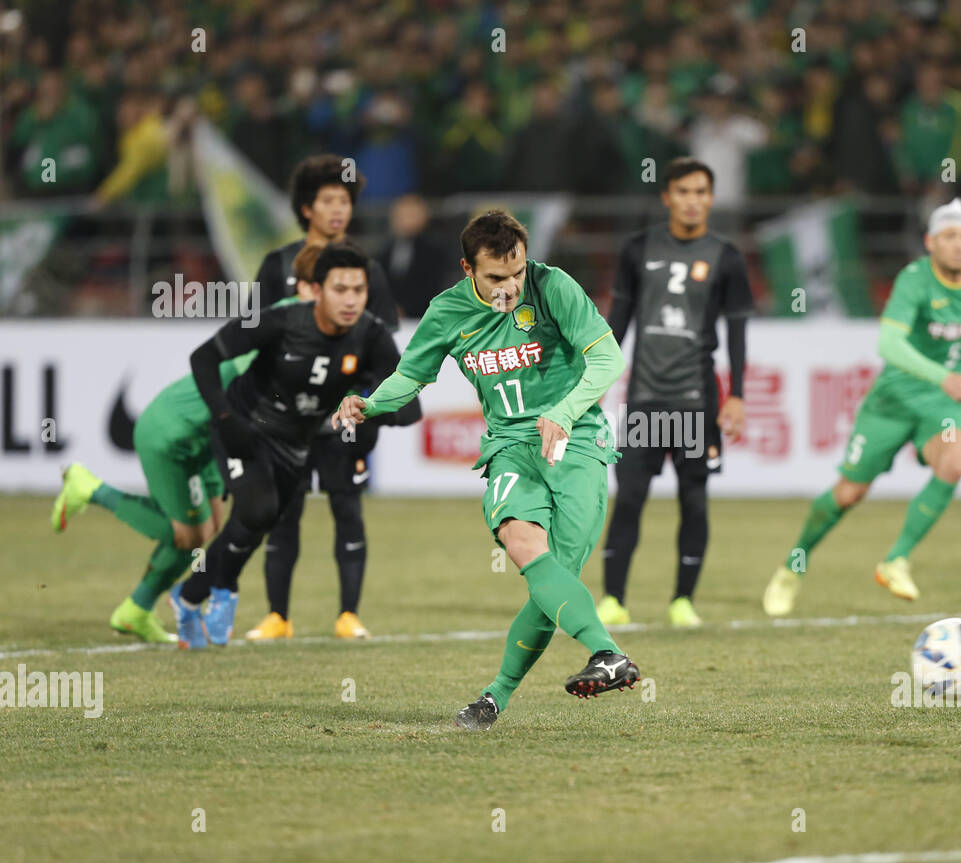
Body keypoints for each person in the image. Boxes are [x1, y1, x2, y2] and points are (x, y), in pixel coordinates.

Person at [333, 210, 639, 731]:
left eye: (517, 272)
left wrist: (562, 413)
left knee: (553, 586)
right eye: (497, 277)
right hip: (509, 448)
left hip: (578, 441)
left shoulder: (553, 286)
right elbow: (412, 376)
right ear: (467, 268)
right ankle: (608, 653)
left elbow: (607, 359)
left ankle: (493, 699)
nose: (511, 286)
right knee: (524, 546)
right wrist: (369, 403)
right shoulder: (447, 311)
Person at [763, 198, 961, 614]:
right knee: (848, 494)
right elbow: (888, 344)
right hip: (891, 402)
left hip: (940, 407)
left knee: (954, 461)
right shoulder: (915, 280)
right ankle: (792, 567)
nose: (957, 245)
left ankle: (896, 560)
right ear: (930, 242)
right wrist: (943, 376)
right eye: (948, 236)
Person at [172, 241, 412, 649]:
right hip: (244, 427)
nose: (351, 300)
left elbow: (404, 394)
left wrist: (372, 416)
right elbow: (203, 358)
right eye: (340, 289)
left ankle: (191, 594)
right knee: (259, 509)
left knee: (253, 523)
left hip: (295, 443)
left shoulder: (370, 335)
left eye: (359, 290)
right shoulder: (281, 321)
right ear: (316, 290)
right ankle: (224, 589)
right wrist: (224, 418)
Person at [243, 155, 402, 641]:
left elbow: (383, 349)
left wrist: (360, 406)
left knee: (346, 505)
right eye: (329, 200)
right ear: (306, 207)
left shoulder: (366, 270)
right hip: (287, 418)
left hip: (343, 419)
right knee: (283, 511)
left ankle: (348, 614)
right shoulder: (276, 265)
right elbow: (256, 338)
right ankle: (277, 616)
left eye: (346, 201)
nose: (339, 210)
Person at [595, 157, 754, 629]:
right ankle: (613, 599)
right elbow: (618, 322)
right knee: (628, 499)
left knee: (695, 499)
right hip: (645, 398)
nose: (692, 200)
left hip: (696, 402)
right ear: (666, 197)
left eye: (701, 192)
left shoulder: (726, 256)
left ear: (711, 197)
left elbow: (738, 331)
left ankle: (683, 600)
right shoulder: (638, 248)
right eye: (683, 191)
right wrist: (592, 379)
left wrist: (738, 395)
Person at [50, 355, 255, 644]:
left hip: (205, 444)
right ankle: (91, 488)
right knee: (186, 535)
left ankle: (135, 612)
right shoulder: (272, 339)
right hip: (171, 435)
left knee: (210, 528)